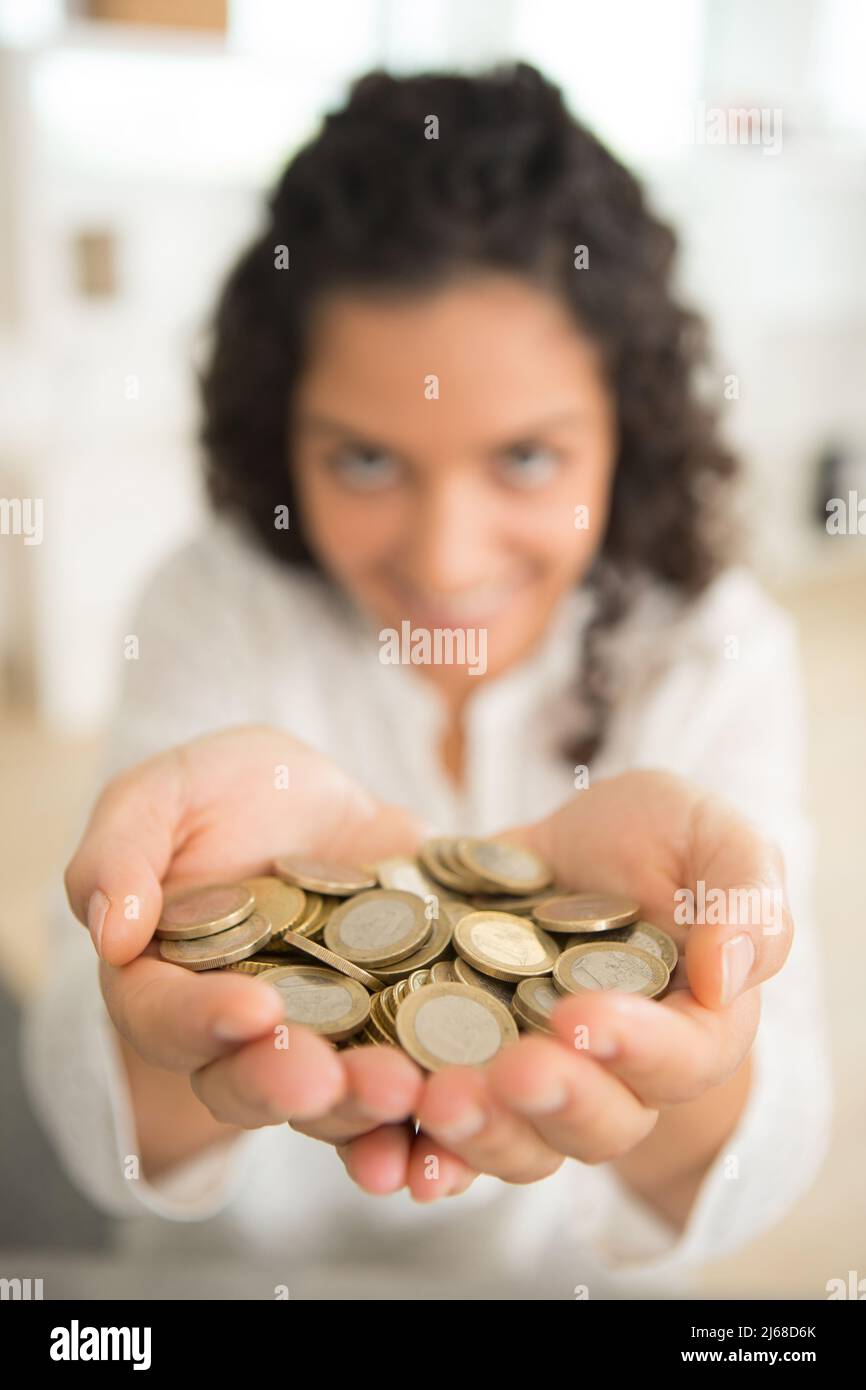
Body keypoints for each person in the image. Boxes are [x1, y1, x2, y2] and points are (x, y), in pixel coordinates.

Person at [23, 64, 830, 1297]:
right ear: (277, 426)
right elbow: (93, 1124)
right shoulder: (207, 604)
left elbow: (766, 1158)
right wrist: (157, 1027)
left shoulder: (719, 650)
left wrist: (685, 1048)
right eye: (362, 457)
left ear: (630, 422)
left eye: (522, 454)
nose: (447, 558)